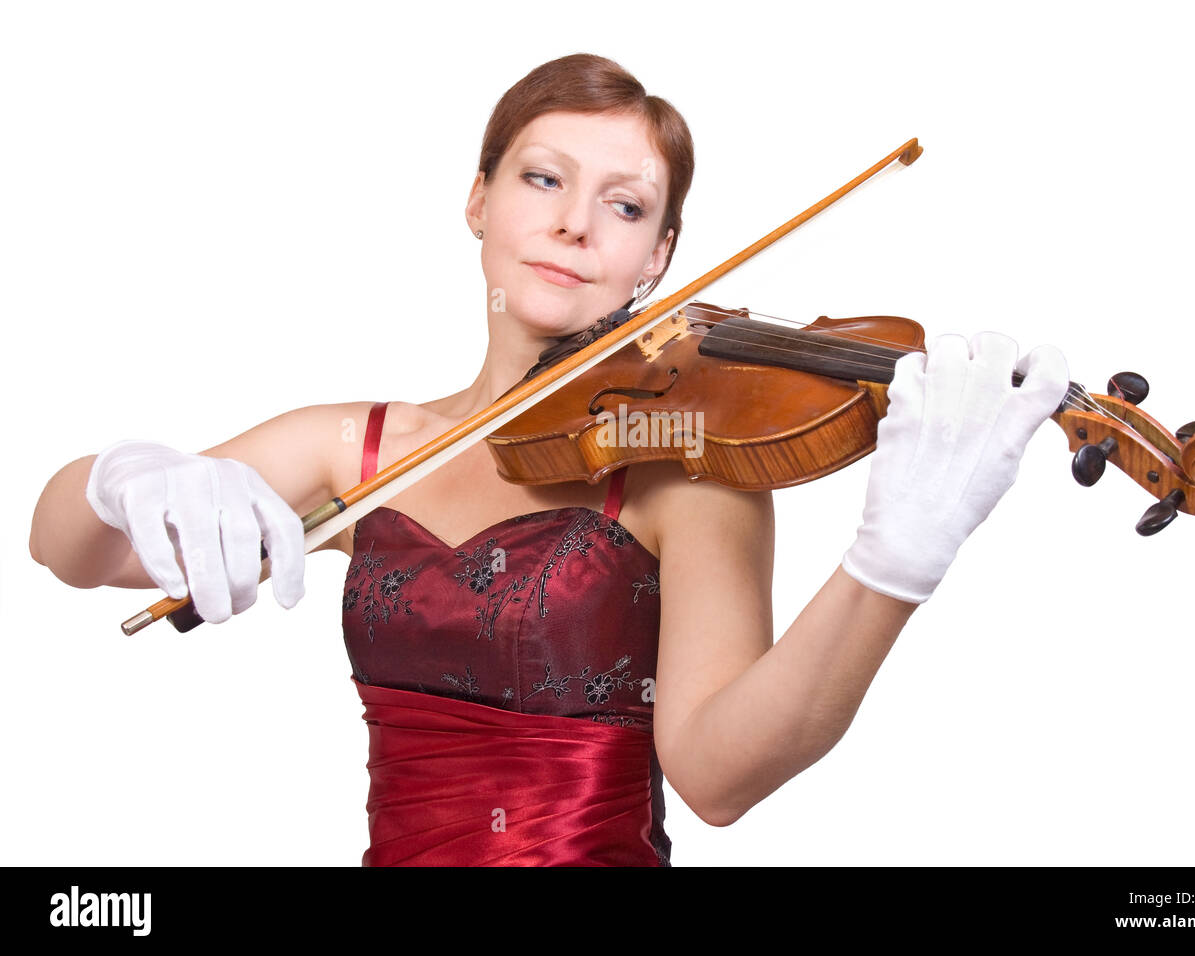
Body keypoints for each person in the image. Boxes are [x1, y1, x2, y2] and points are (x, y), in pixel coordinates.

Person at [27, 53, 1069, 866]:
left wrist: (893, 565)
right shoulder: (358, 443)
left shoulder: (684, 468)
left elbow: (715, 775)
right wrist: (125, 472)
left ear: (656, 258)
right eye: (542, 178)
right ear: (478, 200)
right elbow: (71, 550)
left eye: (624, 205)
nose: (575, 222)